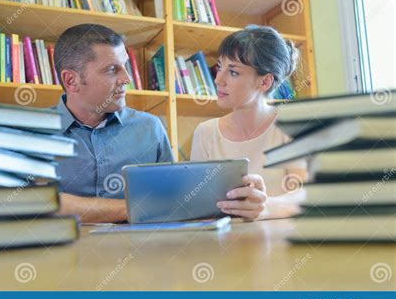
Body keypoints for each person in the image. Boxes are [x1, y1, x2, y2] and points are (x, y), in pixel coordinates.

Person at [53, 24, 174, 223]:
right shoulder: (31, 135)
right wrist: (132, 208)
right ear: (71, 80)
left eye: (125, 66)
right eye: (111, 70)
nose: (127, 79)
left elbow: (171, 201)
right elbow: (31, 205)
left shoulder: (150, 129)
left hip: (139, 252)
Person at [190, 25, 307, 221]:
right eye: (220, 67)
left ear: (265, 82)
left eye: (233, 72)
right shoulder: (205, 133)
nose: (218, 79)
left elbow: (306, 195)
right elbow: (196, 204)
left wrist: (264, 207)